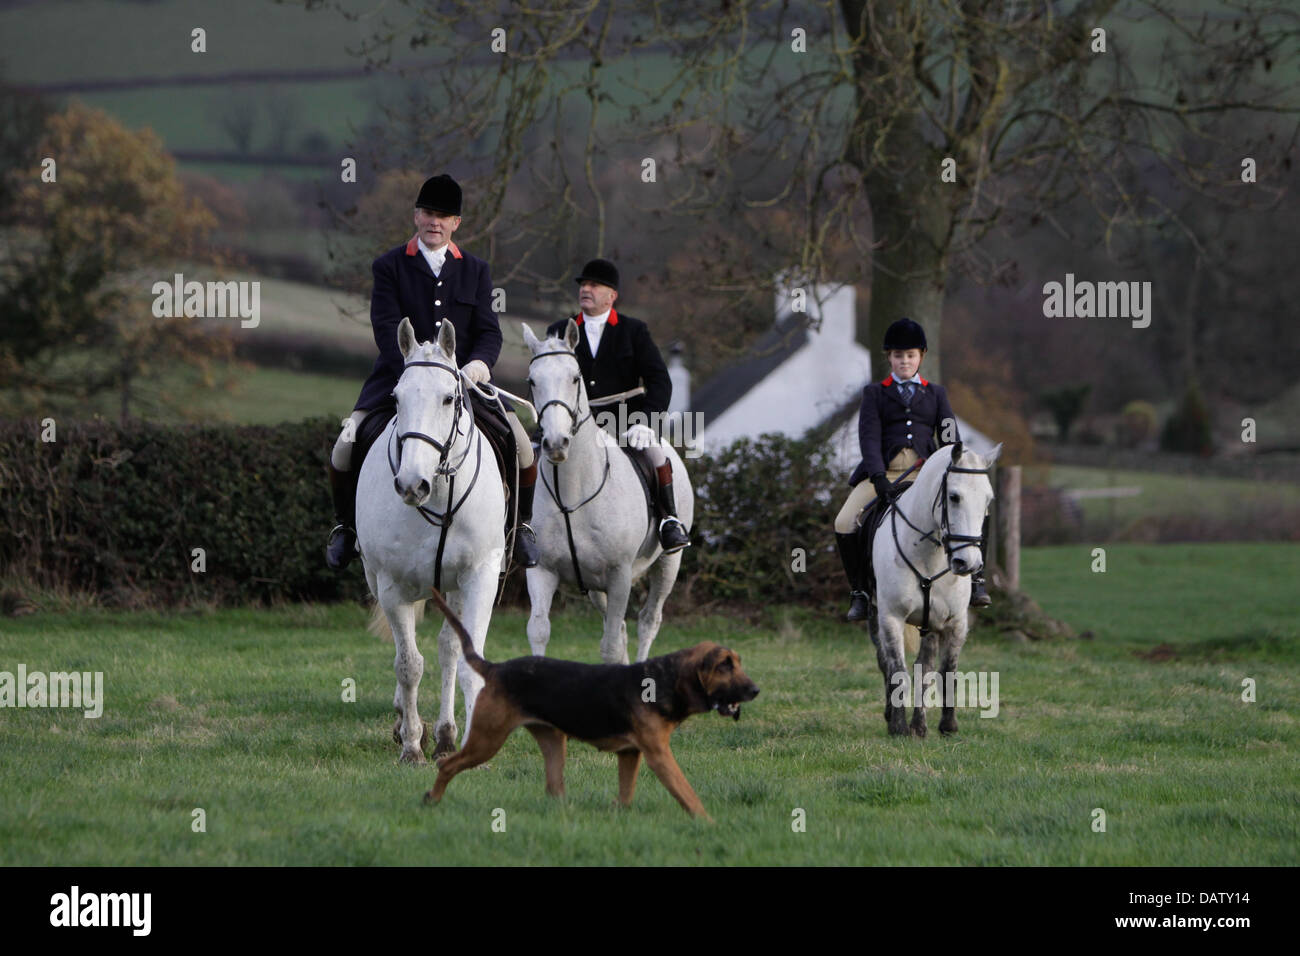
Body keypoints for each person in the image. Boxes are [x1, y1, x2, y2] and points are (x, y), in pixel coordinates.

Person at [325, 173, 540, 570]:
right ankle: (346, 529)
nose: (434, 222)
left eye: (443, 216)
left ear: (456, 223)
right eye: (427, 212)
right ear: (415, 216)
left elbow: (489, 332)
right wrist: (410, 368)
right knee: (345, 444)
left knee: (521, 444)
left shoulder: (475, 270)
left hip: (462, 384)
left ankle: (520, 528)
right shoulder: (389, 266)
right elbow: (386, 328)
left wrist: (478, 364)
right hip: (397, 380)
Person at [833, 317, 991, 621]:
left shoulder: (937, 394)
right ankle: (860, 593)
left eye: (910, 355)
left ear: (921, 356)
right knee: (843, 522)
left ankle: (977, 579)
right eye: (898, 356)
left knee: (976, 508)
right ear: (889, 358)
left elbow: (948, 437)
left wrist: (955, 465)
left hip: (925, 477)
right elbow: (868, 437)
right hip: (883, 475)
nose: (904, 361)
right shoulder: (874, 394)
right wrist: (878, 477)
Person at [539, 258, 690, 553]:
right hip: (570, 424)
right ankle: (524, 525)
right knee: (531, 457)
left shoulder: (634, 331)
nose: (586, 289)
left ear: (612, 295)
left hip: (625, 422)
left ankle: (668, 520)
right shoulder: (559, 330)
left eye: (594, 285)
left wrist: (646, 422)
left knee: (657, 455)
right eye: (583, 284)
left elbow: (660, 381)